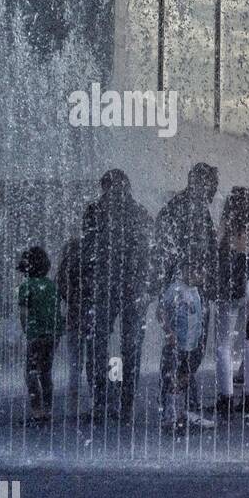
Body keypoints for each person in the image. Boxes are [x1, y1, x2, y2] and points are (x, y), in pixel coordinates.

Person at [80, 169, 152, 418]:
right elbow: (147, 253)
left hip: (109, 286)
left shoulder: (96, 212)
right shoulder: (138, 212)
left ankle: (105, 402)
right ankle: (122, 403)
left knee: (101, 345)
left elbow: (88, 250)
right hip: (126, 287)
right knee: (126, 346)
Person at [153, 163, 219, 410]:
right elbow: (165, 248)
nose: (212, 190)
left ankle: (179, 401)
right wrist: (173, 283)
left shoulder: (194, 208)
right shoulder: (183, 207)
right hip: (184, 289)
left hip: (191, 287)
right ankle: (175, 402)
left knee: (187, 347)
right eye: (210, 184)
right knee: (183, 347)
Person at [214, 187, 249, 416]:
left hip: (231, 287)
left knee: (223, 344)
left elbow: (217, 251)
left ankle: (226, 397)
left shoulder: (228, 226)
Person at [158, 256, 214, 431]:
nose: (201, 274)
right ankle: (171, 416)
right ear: (185, 270)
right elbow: (160, 312)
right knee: (175, 379)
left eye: (201, 271)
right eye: (196, 271)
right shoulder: (175, 289)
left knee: (185, 378)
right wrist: (169, 332)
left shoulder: (196, 291)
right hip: (176, 345)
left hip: (192, 345)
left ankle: (183, 414)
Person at [17, 246, 63, 424]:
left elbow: (24, 313)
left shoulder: (26, 286)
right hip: (52, 335)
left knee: (31, 372)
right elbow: (57, 309)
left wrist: (27, 330)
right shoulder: (52, 286)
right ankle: (48, 409)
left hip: (36, 335)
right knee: (46, 372)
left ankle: (37, 411)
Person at [54, 236, 85, 407]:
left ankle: (74, 392)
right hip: (91, 318)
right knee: (96, 357)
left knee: (75, 361)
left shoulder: (64, 271)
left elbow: (57, 294)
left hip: (73, 318)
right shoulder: (88, 268)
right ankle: (102, 397)